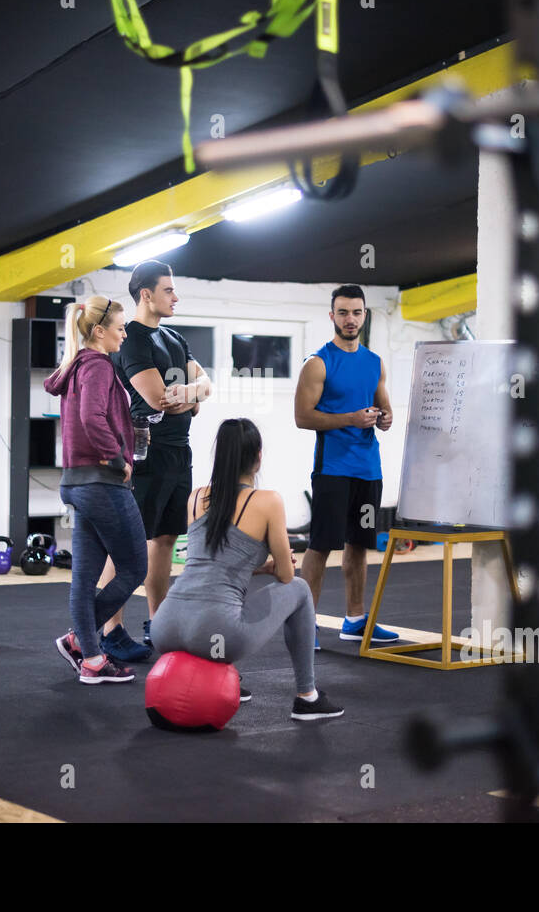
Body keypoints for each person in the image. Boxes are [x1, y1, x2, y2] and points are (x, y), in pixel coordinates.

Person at [149, 418, 344, 721]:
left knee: (218, 605)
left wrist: (260, 567)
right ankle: (308, 697)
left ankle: (226, 682)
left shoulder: (196, 496)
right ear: (258, 456)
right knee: (301, 589)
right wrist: (273, 567)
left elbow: (210, 565)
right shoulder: (268, 501)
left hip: (164, 627)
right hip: (215, 633)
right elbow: (286, 576)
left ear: (219, 456)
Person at [97, 260, 213, 663]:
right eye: (168, 290)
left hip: (179, 451)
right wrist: (188, 394)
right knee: (126, 544)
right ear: (146, 294)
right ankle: (109, 630)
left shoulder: (175, 338)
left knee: (164, 539)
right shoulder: (132, 340)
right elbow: (156, 399)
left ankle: (158, 624)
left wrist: (189, 393)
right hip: (144, 454)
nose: (175, 297)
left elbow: (205, 387)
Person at [43, 296, 148, 685]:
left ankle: (89, 656)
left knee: (84, 579)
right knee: (136, 567)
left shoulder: (76, 366)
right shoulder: (99, 365)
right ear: (100, 331)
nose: (124, 334)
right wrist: (117, 458)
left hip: (75, 483)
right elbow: (92, 417)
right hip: (101, 483)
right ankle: (82, 642)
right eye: (120, 328)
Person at [293, 284, 399, 648]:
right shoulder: (318, 362)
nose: (350, 319)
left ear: (364, 315)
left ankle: (355, 619)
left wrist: (384, 419)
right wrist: (350, 419)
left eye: (356, 312)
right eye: (343, 312)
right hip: (333, 469)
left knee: (359, 543)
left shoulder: (375, 363)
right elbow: (303, 417)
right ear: (332, 316)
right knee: (321, 545)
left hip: (368, 469)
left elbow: (385, 410)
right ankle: (305, 626)